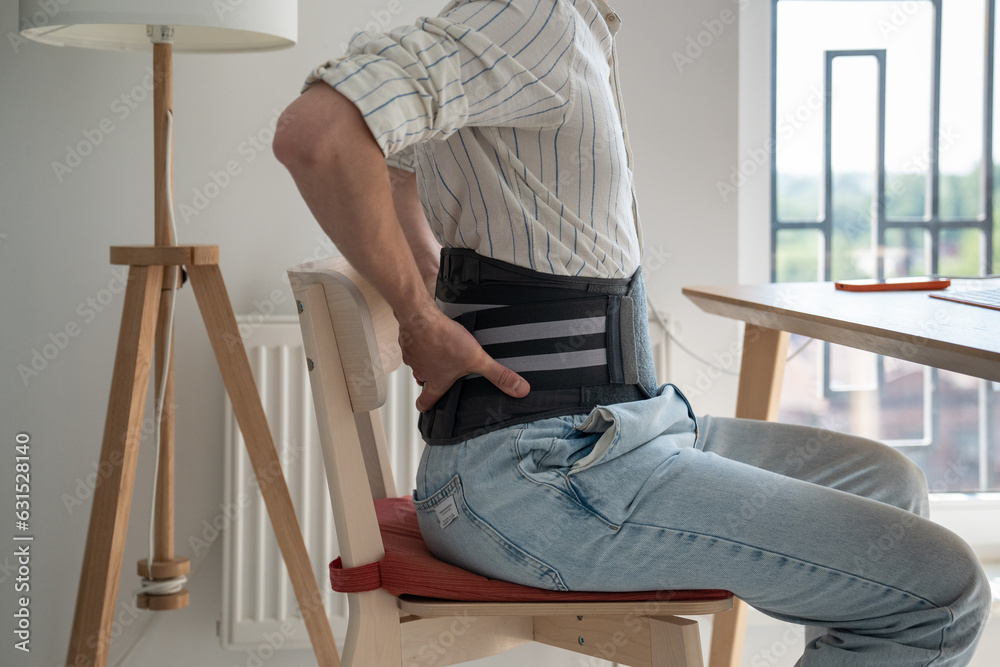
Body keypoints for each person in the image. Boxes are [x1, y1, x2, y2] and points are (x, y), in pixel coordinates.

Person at [273, 1, 992, 664]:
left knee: (888, 483)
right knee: (945, 591)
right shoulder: (532, 17)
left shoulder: (562, 25)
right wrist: (418, 314)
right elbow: (320, 133)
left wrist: (428, 280)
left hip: (624, 430)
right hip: (547, 471)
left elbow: (398, 162)